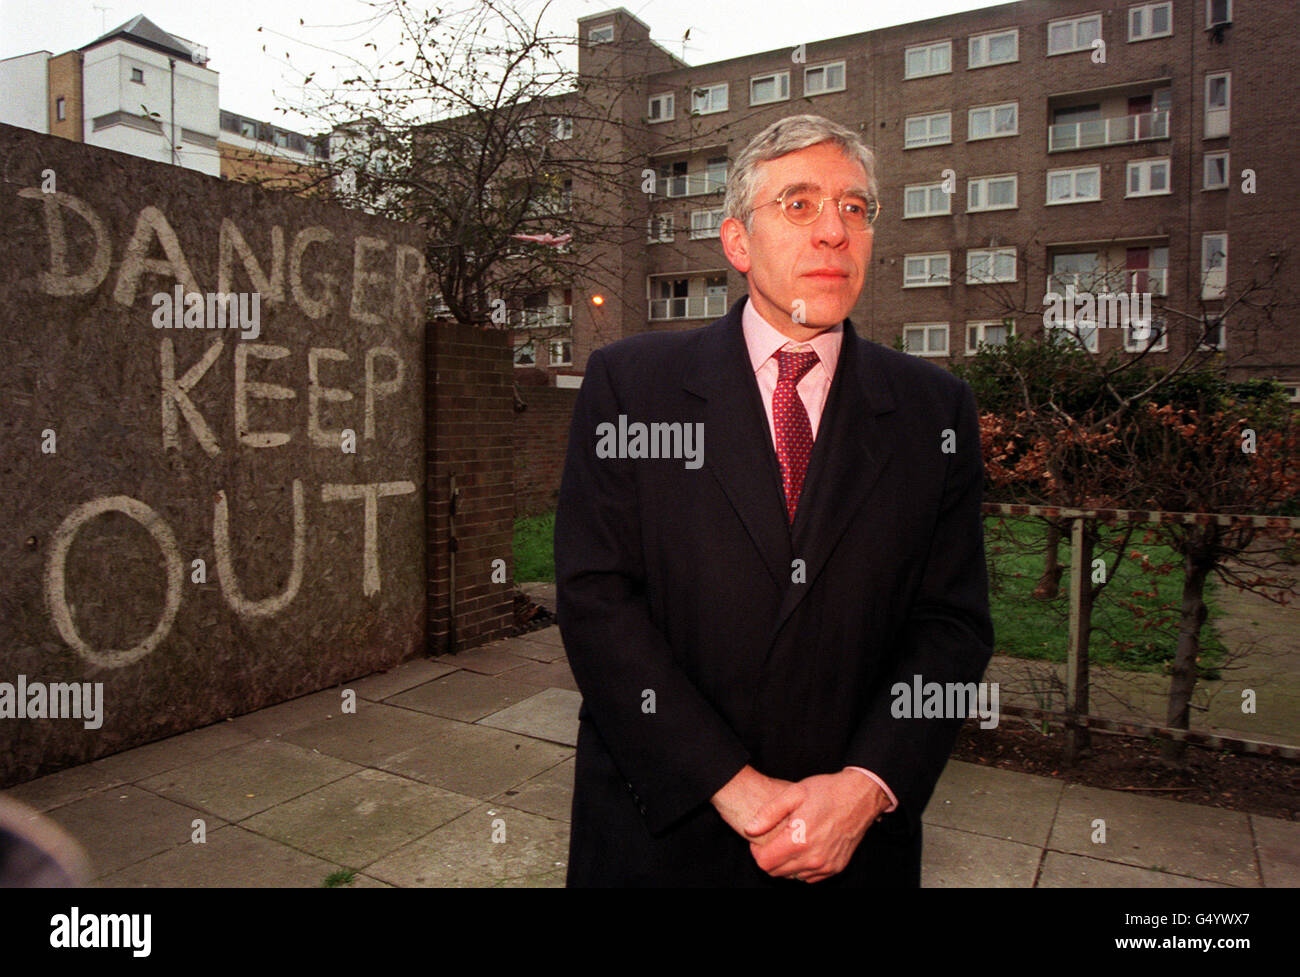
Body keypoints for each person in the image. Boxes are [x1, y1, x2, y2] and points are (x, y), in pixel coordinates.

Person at [555, 114, 993, 886]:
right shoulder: (631, 385)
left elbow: (953, 628)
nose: (834, 231)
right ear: (736, 242)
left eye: (855, 208)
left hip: (855, 850)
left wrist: (866, 787)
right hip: (660, 834)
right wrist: (732, 785)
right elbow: (596, 601)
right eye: (799, 203)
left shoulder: (935, 410)